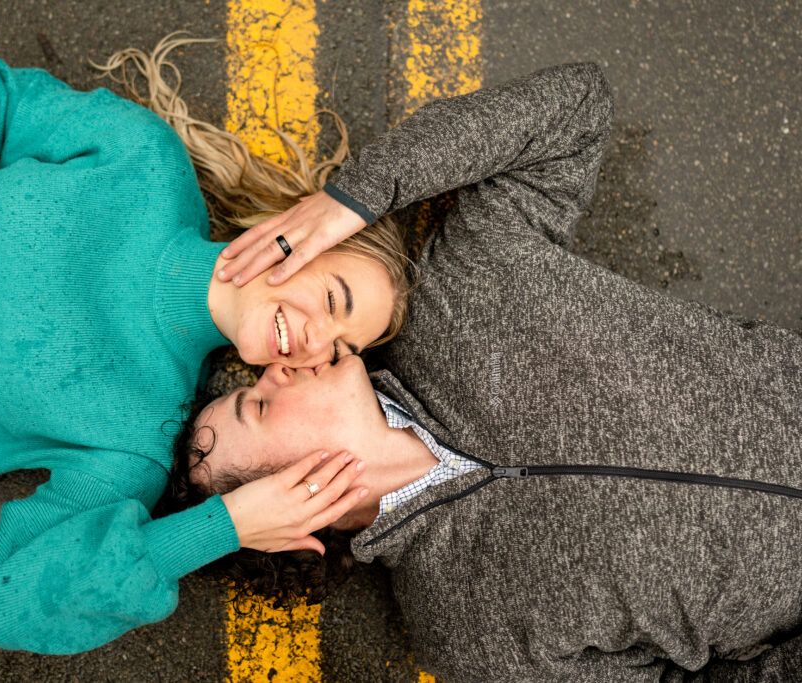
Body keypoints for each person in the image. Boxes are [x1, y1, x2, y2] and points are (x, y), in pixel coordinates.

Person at [170, 62, 802, 680]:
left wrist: (350, 201)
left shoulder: (462, 292)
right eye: (256, 405)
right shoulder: (473, 643)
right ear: (291, 514)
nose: (275, 371)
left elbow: (576, 107)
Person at [0, 36, 409, 654]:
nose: (314, 340)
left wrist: (228, 524)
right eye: (334, 300)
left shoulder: (137, 442)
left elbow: (15, 603)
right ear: (301, 230)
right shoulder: (144, 163)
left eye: (338, 348)